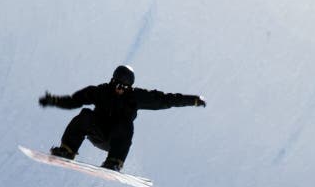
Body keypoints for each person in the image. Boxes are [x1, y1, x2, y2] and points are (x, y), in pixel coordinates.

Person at [39, 65, 206, 171]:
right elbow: (73, 101)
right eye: (118, 85)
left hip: (116, 141)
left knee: (125, 123)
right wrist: (53, 100)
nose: (121, 90)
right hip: (98, 133)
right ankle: (67, 150)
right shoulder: (101, 91)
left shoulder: (135, 97)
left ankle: (114, 161)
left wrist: (193, 100)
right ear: (112, 81)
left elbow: (166, 100)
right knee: (85, 115)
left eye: (125, 87)